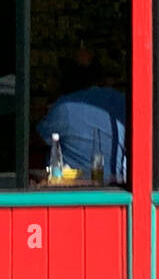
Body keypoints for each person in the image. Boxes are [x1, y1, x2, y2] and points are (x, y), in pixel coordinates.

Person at [36, 48, 127, 183]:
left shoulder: (64, 107)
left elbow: (39, 139)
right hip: (118, 187)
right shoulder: (122, 101)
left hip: (75, 191)